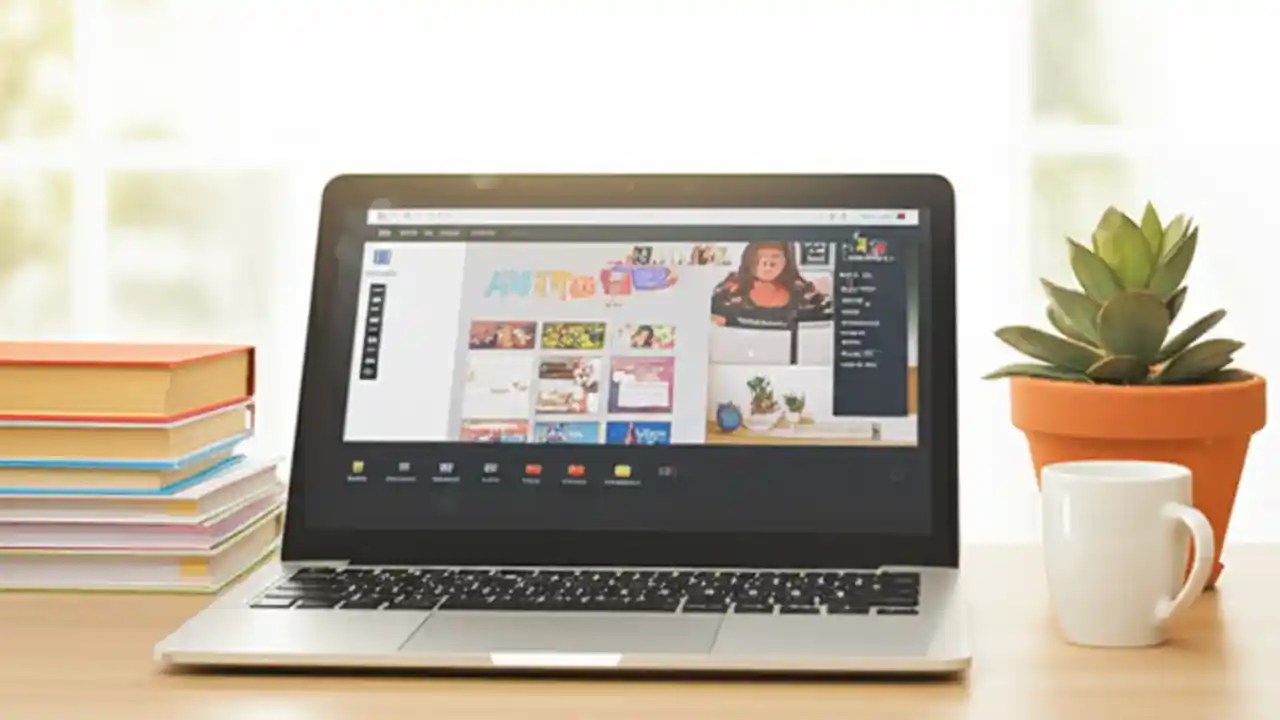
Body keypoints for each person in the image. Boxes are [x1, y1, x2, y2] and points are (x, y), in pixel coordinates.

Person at [710, 241, 831, 328]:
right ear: (749, 258)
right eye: (761, 257)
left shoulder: (806, 299)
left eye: (775, 257)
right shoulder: (726, 296)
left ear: (787, 261)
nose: (768, 265)